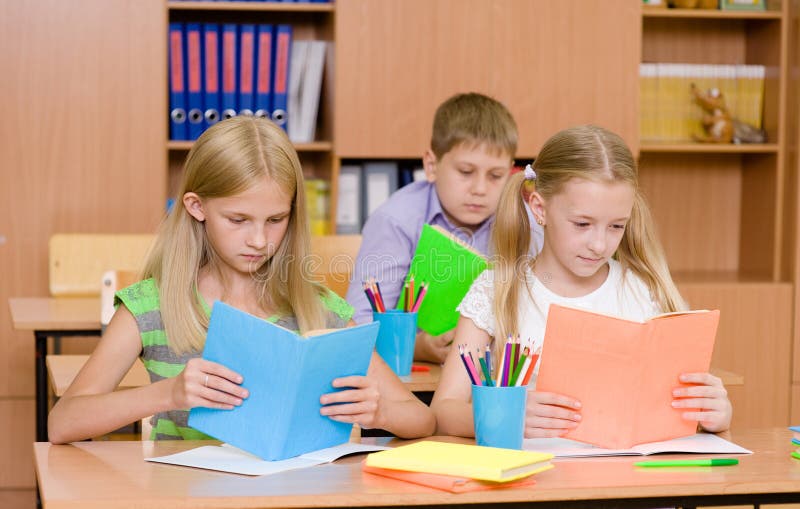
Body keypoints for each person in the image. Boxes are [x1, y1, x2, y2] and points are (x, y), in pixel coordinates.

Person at [48, 117, 435, 444]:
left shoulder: (318, 310)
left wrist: (379, 411)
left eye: (275, 220)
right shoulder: (151, 307)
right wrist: (166, 394)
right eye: (237, 220)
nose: (259, 240)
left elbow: (421, 418)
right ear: (196, 207)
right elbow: (63, 423)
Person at [431, 124, 732, 438]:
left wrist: (717, 413)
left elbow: (689, 406)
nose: (599, 245)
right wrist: (505, 418)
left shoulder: (646, 291)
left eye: (616, 226)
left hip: (633, 478)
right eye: (582, 224)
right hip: (537, 479)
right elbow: (442, 411)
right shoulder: (498, 289)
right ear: (539, 209)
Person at [345, 92, 543, 363]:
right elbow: (359, 325)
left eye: (496, 176)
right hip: (413, 376)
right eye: (465, 172)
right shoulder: (396, 220)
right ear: (431, 165)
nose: (480, 189)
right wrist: (417, 347)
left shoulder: (525, 221)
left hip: (494, 375)